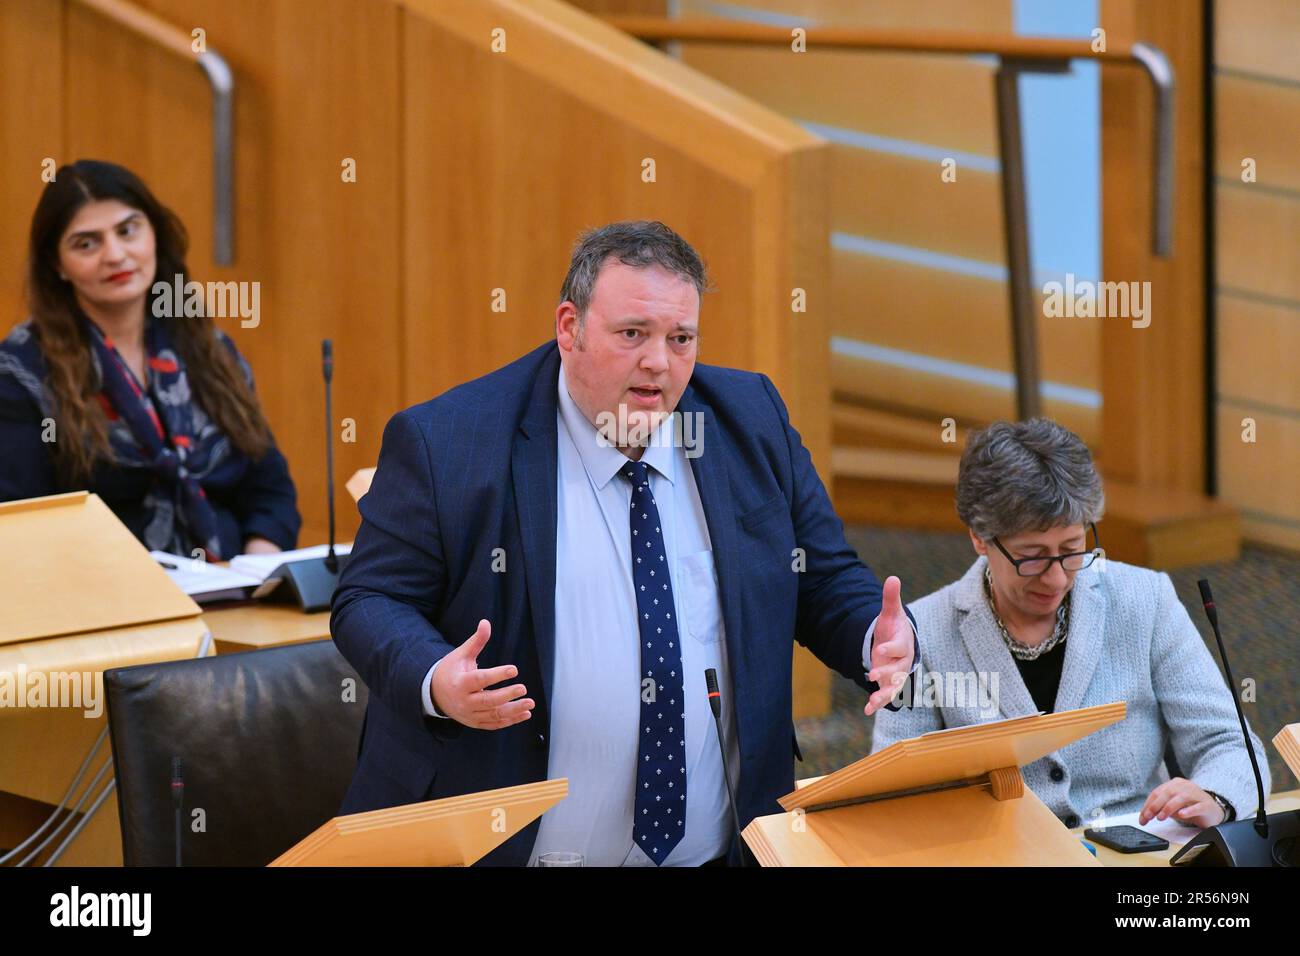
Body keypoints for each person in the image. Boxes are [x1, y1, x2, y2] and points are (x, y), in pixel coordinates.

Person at [332, 220, 918, 866]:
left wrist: (874, 635)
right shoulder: (451, 442)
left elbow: (820, 577)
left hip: (714, 852)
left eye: (681, 339)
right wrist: (437, 675)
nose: (659, 363)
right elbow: (369, 598)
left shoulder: (749, 420)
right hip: (503, 848)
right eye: (632, 334)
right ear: (569, 328)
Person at [871, 418, 1270, 831]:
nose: (1057, 578)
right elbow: (893, 793)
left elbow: (1228, 745)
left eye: (1071, 550)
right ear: (979, 537)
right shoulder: (921, 633)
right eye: (1033, 557)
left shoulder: (1144, 599)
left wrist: (1215, 796)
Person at [0, 160, 299, 560]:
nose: (115, 254)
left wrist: (255, 569)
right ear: (57, 266)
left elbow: (270, 489)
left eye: (127, 231)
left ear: (154, 233)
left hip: (233, 589)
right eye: (87, 243)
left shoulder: (206, 348)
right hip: (105, 601)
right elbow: (26, 525)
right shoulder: (22, 373)